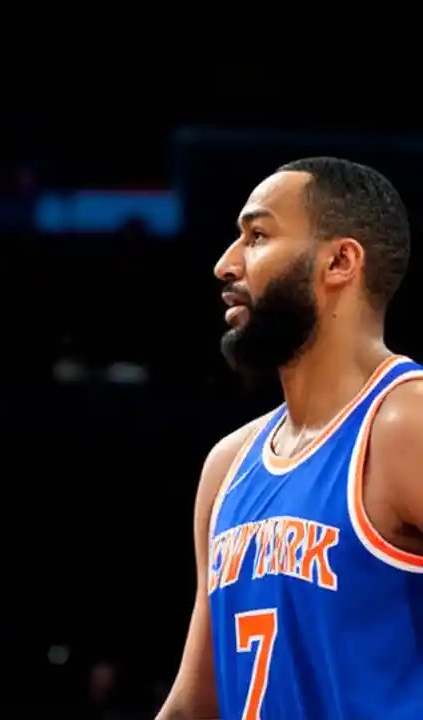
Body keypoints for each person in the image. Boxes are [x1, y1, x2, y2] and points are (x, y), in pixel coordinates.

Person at [157, 157, 423, 719]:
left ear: (339, 261)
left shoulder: (404, 424)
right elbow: (194, 705)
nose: (226, 265)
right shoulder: (228, 465)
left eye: (257, 236)